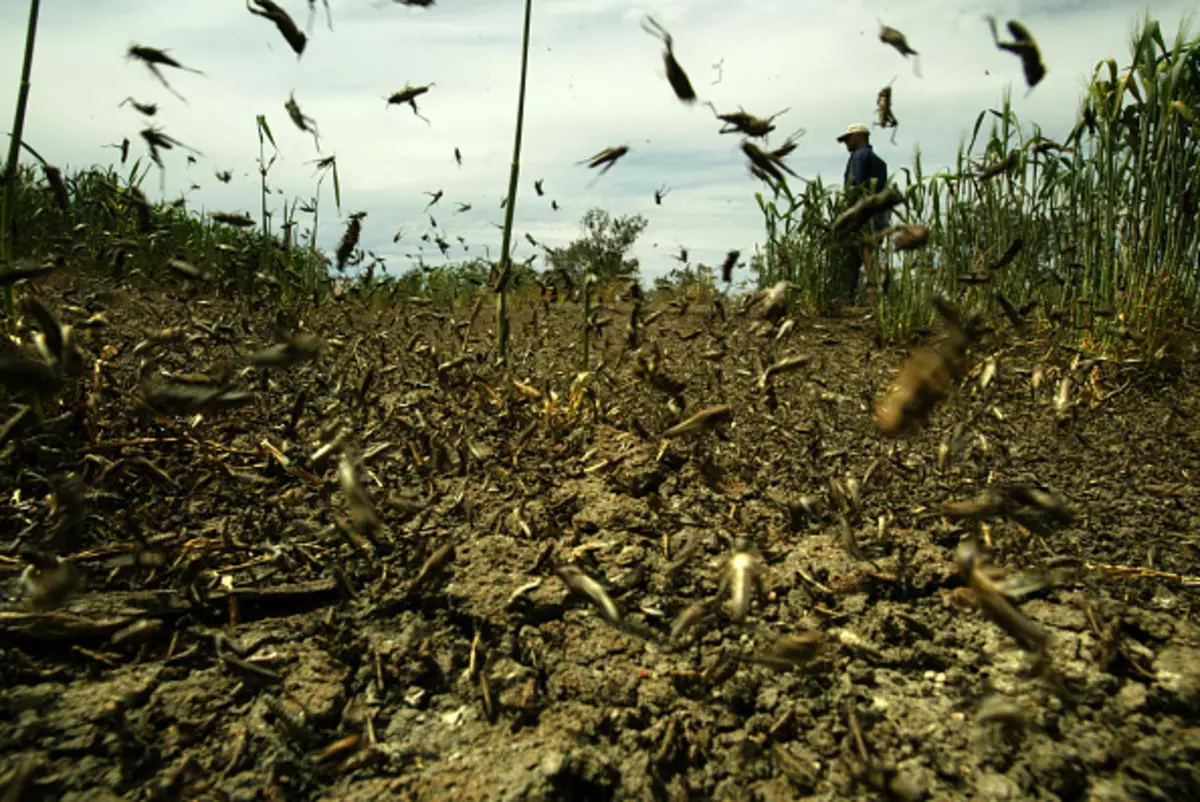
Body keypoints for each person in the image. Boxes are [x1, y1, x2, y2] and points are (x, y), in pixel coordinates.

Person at [835, 122, 889, 303]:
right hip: (877, 212)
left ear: (859, 137)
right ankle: (862, 295)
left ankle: (870, 296)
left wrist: (849, 212)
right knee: (863, 252)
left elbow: (856, 186)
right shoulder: (879, 161)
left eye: (848, 139)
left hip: (863, 214)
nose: (845, 144)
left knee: (865, 251)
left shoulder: (859, 156)